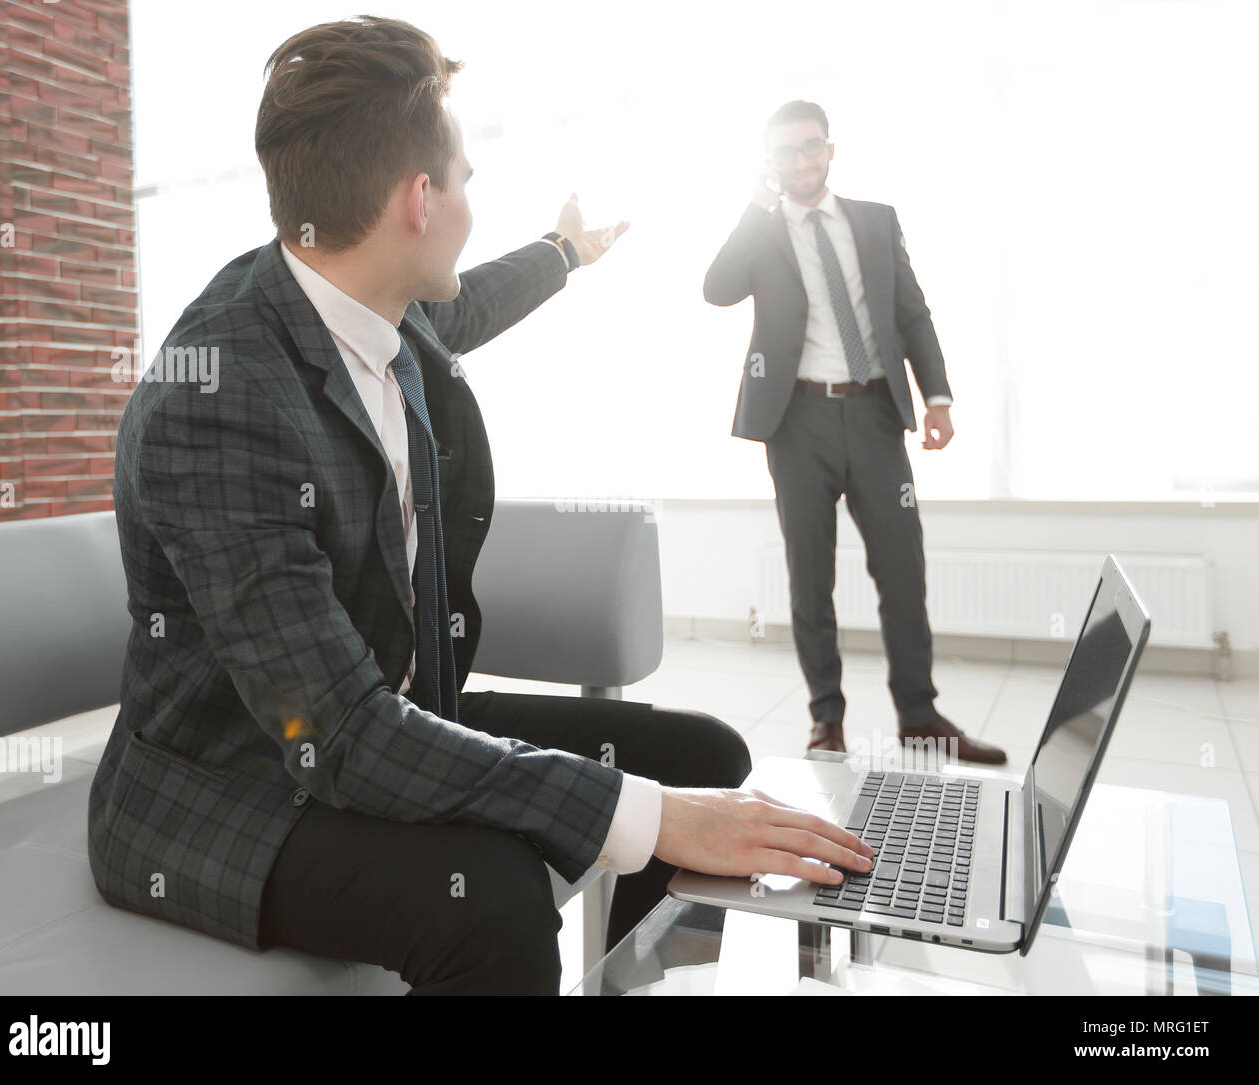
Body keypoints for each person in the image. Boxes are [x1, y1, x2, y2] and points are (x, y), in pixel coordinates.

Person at [86, 19, 875, 996]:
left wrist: (564, 251)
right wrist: (648, 815)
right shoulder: (214, 402)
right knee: (492, 891)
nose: (469, 200)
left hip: (381, 706)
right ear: (419, 201)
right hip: (232, 785)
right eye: (464, 180)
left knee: (701, 755)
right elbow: (334, 732)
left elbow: (464, 306)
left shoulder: (368, 295)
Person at [703, 100, 1006, 765]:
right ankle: (826, 720)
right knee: (809, 578)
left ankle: (920, 715)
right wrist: (755, 208)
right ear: (771, 163)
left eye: (811, 146)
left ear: (831, 149)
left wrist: (938, 397)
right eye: (786, 152)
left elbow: (913, 311)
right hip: (797, 421)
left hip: (874, 415)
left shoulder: (875, 221)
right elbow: (716, 288)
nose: (801, 161)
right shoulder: (764, 232)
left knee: (903, 569)